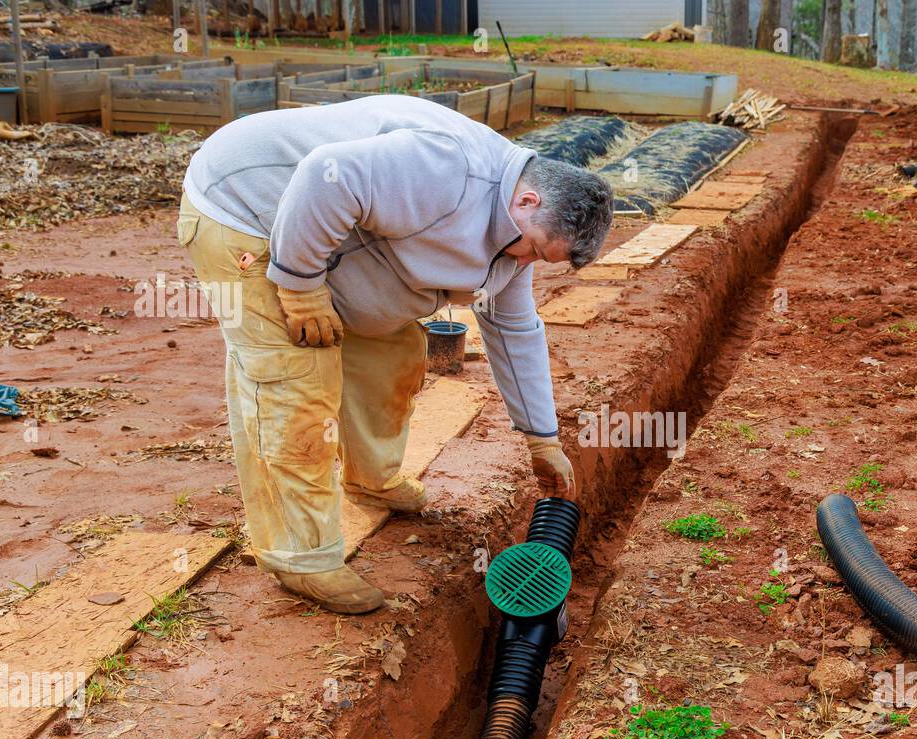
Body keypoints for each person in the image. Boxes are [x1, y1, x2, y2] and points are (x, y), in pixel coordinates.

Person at [177, 95, 613, 613]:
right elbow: (324, 176)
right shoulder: (449, 170)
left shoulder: (513, 239)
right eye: (537, 250)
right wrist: (298, 286)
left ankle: (370, 478)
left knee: (393, 347)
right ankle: (301, 559)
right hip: (248, 208)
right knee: (294, 384)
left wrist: (542, 438)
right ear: (528, 202)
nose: (529, 263)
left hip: (330, 234)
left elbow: (515, 330)